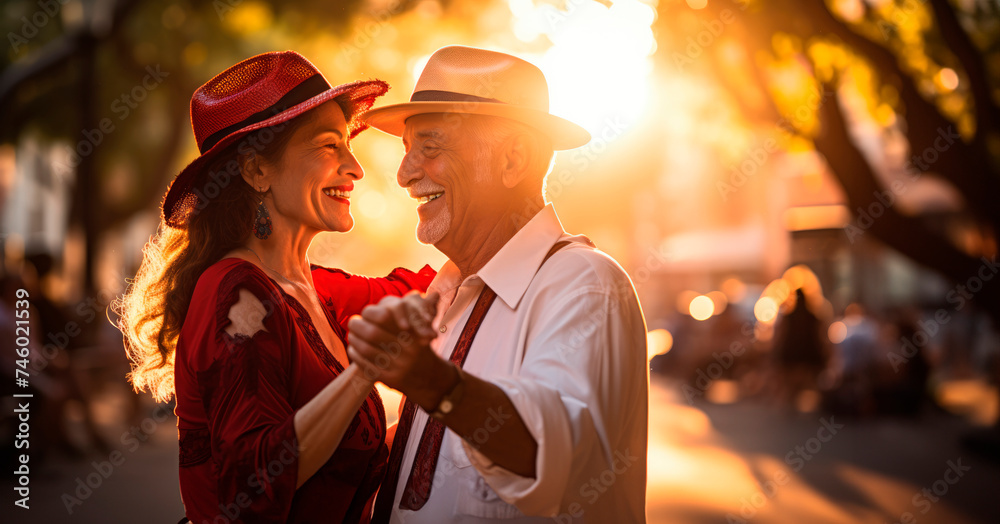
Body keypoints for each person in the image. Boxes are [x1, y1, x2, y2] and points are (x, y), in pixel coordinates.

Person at [115, 51, 435, 523]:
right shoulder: (237, 294)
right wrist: (362, 375)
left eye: (348, 145)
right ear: (256, 170)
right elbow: (251, 488)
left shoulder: (312, 290)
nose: (355, 168)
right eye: (330, 146)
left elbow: (433, 291)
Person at [350, 45, 649, 523]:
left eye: (430, 147)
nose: (405, 175)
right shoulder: (449, 295)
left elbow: (556, 458)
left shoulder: (585, 285)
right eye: (407, 153)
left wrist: (429, 380)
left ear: (514, 159)